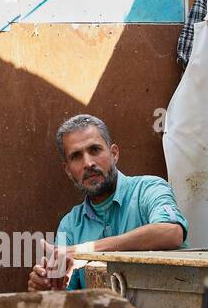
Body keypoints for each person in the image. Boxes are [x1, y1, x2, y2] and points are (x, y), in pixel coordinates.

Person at [28, 113, 188, 291]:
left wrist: (86, 250)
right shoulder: (70, 225)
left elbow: (172, 232)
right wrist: (47, 286)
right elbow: (63, 298)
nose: (88, 163)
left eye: (95, 150)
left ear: (114, 154)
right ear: (67, 170)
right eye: (76, 156)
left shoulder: (148, 188)